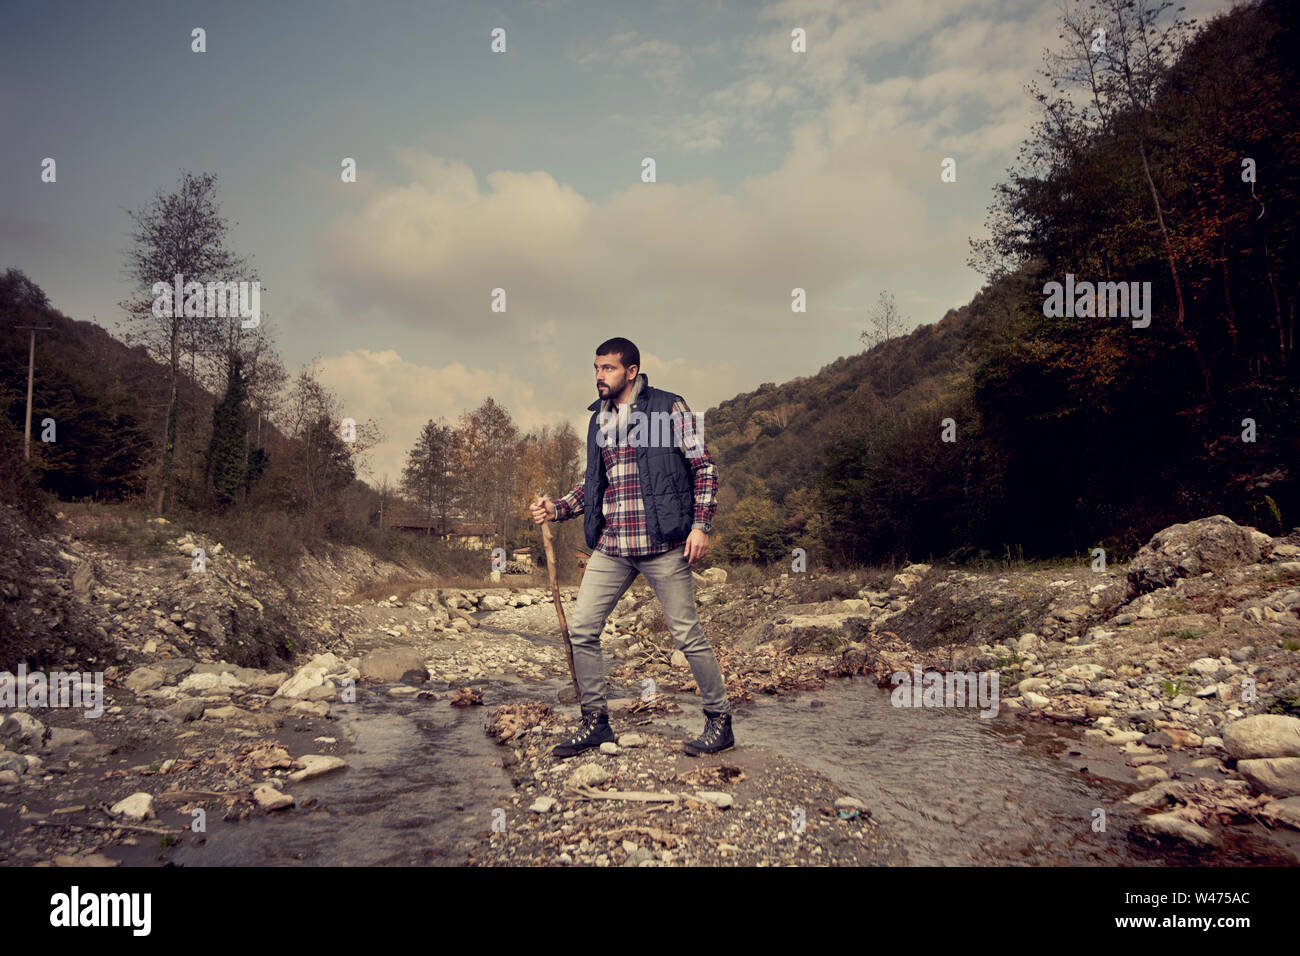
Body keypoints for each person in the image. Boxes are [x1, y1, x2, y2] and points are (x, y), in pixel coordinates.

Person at [530, 337, 734, 758]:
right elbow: (593, 486)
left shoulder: (668, 408)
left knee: (686, 634)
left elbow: (704, 468)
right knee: (582, 627)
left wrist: (701, 525)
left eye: (608, 368)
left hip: (664, 544)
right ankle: (595, 722)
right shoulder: (598, 421)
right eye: (596, 368)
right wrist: (556, 508)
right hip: (614, 545)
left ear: (632, 370)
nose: (600, 376)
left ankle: (719, 721)